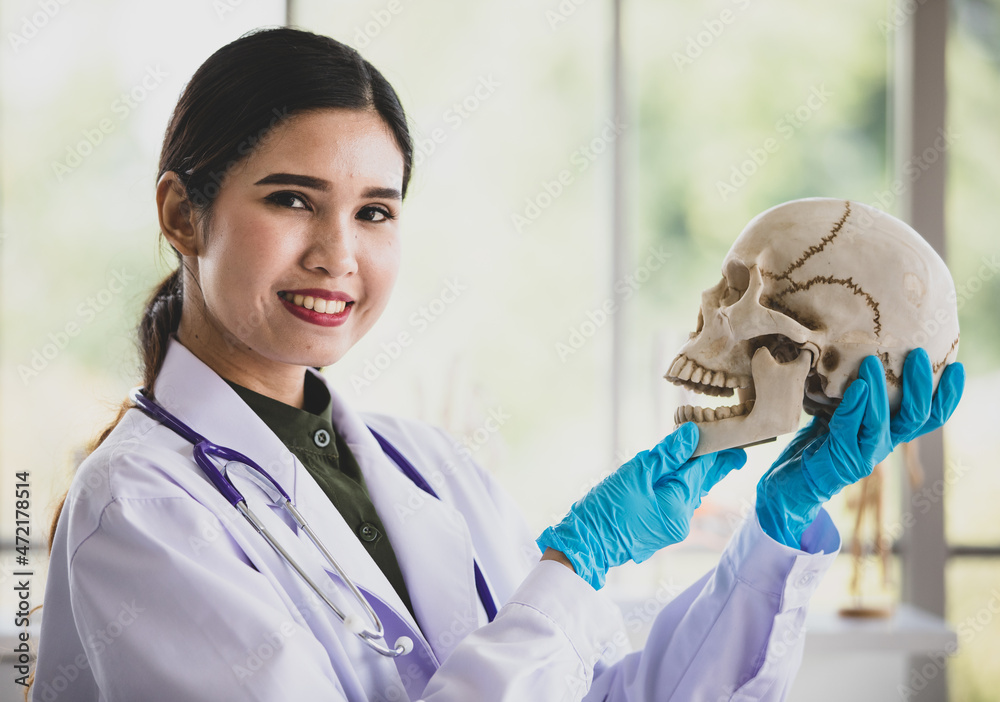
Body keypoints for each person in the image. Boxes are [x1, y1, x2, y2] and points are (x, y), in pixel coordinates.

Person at [31, 27, 964, 702]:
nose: (338, 255)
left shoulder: (426, 467)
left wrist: (777, 526)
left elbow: (603, 695)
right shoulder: (140, 511)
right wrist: (573, 565)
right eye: (292, 200)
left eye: (374, 211)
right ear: (182, 214)